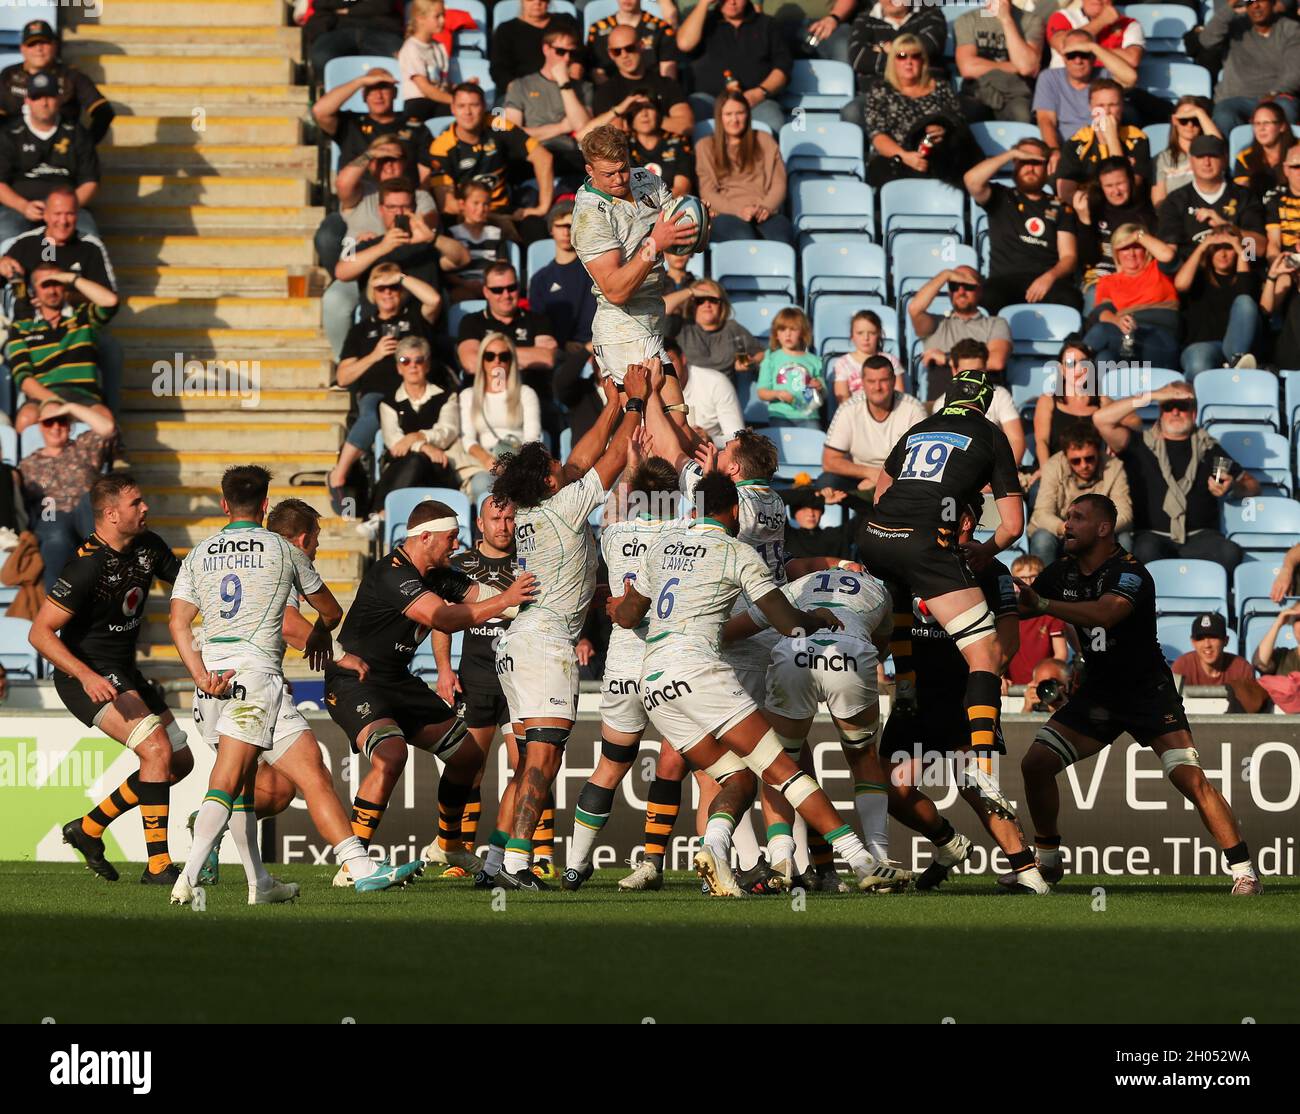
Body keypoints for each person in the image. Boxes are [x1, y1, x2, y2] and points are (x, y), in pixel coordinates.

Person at [613, 469, 910, 896]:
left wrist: (617, 604)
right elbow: (786, 622)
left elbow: (625, 617)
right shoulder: (737, 553)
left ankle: (713, 848)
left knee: (737, 778)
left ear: (695, 508)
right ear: (734, 510)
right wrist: (817, 618)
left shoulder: (660, 547)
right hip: (699, 670)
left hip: (654, 682)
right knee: (784, 770)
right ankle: (863, 862)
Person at [1016, 493, 1263, 895]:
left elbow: (1106, 613)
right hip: (1098, 694)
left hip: (1147, 693)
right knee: (1036, 764)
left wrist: (1042, 603)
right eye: (1067, 517)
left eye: (1077, 518)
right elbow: (1021, 605)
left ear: (1103, 528)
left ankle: (1244, 872)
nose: (1067, 524)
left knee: (1190, 780)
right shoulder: (1062, 571)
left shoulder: (1130, 573)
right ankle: (1047, 859)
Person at [191, 498, 423, 896]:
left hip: (221, 685)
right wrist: (337, 657)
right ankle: (354, 865)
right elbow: (289, 623)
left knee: (278, 790)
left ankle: (231, 854)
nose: (316, 548)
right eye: (315, 540)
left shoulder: (232, 555)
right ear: (301, 538)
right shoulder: (279, 560)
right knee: (287, 778)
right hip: (244, 684)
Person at [483, 364, 651, 890]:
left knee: (530, 758)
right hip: (546, 643)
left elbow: (581, 458)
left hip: (518, 642)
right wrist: (636, 405)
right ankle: (515, 863)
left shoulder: (540, 506)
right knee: (545, 758)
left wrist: (611, 400)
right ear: (548, 482)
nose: (567, 467)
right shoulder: (563, 509)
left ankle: (495, 861)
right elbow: (616, 454)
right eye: (557, 467)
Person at [324, 498, 538, 885]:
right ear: (425, 538)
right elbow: (442, 618)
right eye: (451, 538)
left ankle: (449, 843)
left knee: (468, 756)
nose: (457, 545)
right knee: (391, 755)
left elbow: (484, 597)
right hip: (357, 681)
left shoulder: (438, 574)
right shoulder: (392, 573)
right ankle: (353, 862)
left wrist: (541, 599)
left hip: (397, 681)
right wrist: (506, 599)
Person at [855, 359, 1025, 819]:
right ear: (985, 407)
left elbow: (880, 493)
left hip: (873, 535)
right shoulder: (991, 435)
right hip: (924, 543)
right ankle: (983, 768)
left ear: (948, 399)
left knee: (903, 597)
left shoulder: (917, 427)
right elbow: (1012, 526)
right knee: (984, 654)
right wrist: (982, 553)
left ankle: (905, 683)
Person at [875, 499, 1050, 894]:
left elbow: (1009, 636)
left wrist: (990, 670)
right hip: (915, 693)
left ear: (966, 520)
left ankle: (1028, 872)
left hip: (964, 691)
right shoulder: (909, 562)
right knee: (891, 788)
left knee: (973, 782)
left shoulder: (992, 570)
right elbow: (890, 627)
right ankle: (948, 842)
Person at [29, 474, 189, 885]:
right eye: (136, 503)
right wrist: (83, 675)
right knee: (156, 751)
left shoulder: (149, 546)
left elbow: (190, 581)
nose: (145, 508)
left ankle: (89, 827)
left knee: (179, 762)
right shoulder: (87, 566)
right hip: (87, 674)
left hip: (125, 671)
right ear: (112, 514)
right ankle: (158, 867)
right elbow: (39, 633)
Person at [721, 566, 897, 884]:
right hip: (848, 653)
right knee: (863, 758)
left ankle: (781, 859)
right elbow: (882, 647)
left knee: (780, 764)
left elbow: (736, 630)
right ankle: (878, 857)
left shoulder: (798, 586)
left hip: (795, 653)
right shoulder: (880, 591)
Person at [562, 443, 683, 889]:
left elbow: (624, 502)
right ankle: (652, 861)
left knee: (610, 764)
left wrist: (631, 465)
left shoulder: (614, 534)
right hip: (672, 662)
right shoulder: (685, 535)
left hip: (623, 663)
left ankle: (575, 863)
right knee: (674, 761)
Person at [425, 496, 523, 878]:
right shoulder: (460, 565)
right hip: (476, 679)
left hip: (519, 682)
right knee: (470, 770)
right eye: (495, 518)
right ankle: (460, 854)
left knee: (527, 766)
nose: (503, 525)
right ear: (480, 524)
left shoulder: (528, 562)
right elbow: (441, 620)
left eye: (510, 518)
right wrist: (444, 669)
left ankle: (526, 854)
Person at [570, 124, 694, 390]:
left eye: (623, 168)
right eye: (609, 174)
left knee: (648, 427)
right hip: (623, 329)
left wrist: (698, 223)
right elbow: (615, 290)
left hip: (651, 319)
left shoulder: (646, 180)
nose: (619, 179)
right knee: (669, 420)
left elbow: (678, 241)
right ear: (589, 170)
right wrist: (653, 244)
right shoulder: (589, 217)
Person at [1093, 379, 1259, 574]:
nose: (1175, 412)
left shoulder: (1208, 447)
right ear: (1160, 412)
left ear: (1194, 413)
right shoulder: (1140, 443)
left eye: (1182, 406)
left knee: (1229, 552)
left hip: (1200, 538)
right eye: (1168, 405)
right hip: (1152, 537)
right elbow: (1101, 420)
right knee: (1143, 552)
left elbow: (1253, 485)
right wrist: (1153, 395)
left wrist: (1231, 487)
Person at [326, 263, 441, 507]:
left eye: (393, 287)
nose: (387, 293)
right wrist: (375, 355)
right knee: (374, 411)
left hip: (414, 394)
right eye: (381, 288)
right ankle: (339, 473)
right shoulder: (361, 330)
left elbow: (433, 299)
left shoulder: (414, 318)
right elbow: (344, 377)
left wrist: (401, 276)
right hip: (376, 396)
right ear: (372, 293)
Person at [326, 176, 462, 360]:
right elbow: (342, 271)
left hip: (422, 333)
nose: (399, 213)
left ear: (414, 209)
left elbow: (462, 258)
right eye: (392, 207)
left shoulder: (427, 243)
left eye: (405, 207)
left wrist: (433, 238)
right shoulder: (369, 244)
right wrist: (383, 247)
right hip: (378, 336)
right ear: (381, 210)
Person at [355, 336, 463, 540]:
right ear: (398, 367)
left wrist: (415, 437)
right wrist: (425, 446)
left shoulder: (446, 396)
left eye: (419, 360)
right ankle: (382, 515)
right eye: (405, 361)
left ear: (427, 364)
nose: (412, 366)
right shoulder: (388, 403)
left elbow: (447, 432)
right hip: (401, 468)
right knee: (414, 459)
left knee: (416, 458)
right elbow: (395, 445)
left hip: (437, 469)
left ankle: (380, 516)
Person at [426, 83, 555, 244]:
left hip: (503, 208)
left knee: (536, 228)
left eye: (474, 105)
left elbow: (543, 158)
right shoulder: (441, 146)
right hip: (465, 214)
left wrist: (542, 207)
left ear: (484, 106)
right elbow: (448, 205)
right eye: (461, 106)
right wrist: (497, 219)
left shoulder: (497, 124)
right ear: (452, 108)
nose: (467, 112)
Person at [965, 140, 1081, 312]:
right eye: (1024, 161)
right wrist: (1010, 154)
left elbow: (1069, 257)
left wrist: (1049, 277)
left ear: (1046, 167)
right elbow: (971, 180)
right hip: (1004, 282)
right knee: (986, 298)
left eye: (1036, 162)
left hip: (1046, 281)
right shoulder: (1001, 196)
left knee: (1072, 300)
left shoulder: (1061, 207)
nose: (1030, 168)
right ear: (1015, 164)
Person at [4, 263, 117, 434]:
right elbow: (24, 379)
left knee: (104, 417)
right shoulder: (22, 328)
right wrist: (55, 402)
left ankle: (112, 459)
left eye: (57, 283)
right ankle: (28, 462)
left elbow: (111, 301)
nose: (52, 291)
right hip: (44, 396)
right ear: (34, 291)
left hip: (84, 395)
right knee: (26, 419)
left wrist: (72, 278)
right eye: (45, 285)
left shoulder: (83, 317)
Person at [18, 398, 117, 590]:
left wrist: (71, 407)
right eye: (49, 421)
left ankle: (103, 566)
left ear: (70, 425)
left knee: (90, 498)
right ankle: (58, 606)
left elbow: (107, 428)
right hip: (51, 518)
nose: (55, 427)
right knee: (56, 537)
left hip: (86, 515)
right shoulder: (28, 464)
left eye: (62, 420)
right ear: (40, 426)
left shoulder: (83, 448)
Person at [0, 71, 99, 245]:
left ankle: (71, 271)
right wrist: (23, 206)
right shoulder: (10, 134)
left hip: (69, 209)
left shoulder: (77, 134)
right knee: (6, 237)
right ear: (27, 100)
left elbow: (90, 182)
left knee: (89, 239)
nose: (44, 103)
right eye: (37, 97)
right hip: (19, 208)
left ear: (59, 99)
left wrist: (62, 210)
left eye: (49, 97)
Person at [862, 35, 968, 188]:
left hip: (937, 157)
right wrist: (905, 157)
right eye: (902, 56)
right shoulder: (880, 91)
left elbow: (959, 124)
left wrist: (944, 130)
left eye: (915, 56)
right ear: (892, 61)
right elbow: (877, 135)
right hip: (897, 159)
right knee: (881, 168)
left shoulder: (942, 88)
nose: (909, 62)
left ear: (923, 61)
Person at [325, 136, 439, 276]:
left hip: (404, 270)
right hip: (356, 270)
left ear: (404, 163)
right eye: (382, 160)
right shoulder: (360, 193)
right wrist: (369, 154)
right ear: (371, 164)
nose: (389, 165)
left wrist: (379, 241)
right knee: (334, 298)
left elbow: (428, 227)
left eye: (394, 159)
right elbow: (342, 183)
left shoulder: (420, 196)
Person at [676, 0, 792, 135]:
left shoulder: (767, 25)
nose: (732, 2)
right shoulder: (704, 22)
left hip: (756, 101)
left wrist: (759, 93)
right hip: (709, 101)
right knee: (689, 120)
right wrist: (703, 4)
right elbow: (684, 44)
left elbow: (783, 68)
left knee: (773, 124)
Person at [0, 185, 116, 320]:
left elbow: (108, 299)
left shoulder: (91, 246)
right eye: (57, 214)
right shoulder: (25, 243)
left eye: (69, 214)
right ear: (46, 215)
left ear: (77, 215)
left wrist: (65, 296)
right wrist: (2, 265)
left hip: (78, 331)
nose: (63, 221)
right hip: (28, 330)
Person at [1072, 157, 1172, 311]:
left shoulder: (1146, 215)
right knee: (1095, 295)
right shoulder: (1092, 209)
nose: (1116, 191)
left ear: (1131, 181)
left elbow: (1157, 258)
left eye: (1120, 184)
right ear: (1101, 186)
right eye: (1109, 186)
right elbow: (1088, 259)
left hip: (1137, 277)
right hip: (1101, 276)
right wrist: (1084, 221)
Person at [819, 355, 926, 496]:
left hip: (900, 477)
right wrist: (870, 473)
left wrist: (883, 478)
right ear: (862, 382)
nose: (877, 387)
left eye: (883, 380)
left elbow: (921, 461)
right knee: (825, 482)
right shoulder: (848, 409)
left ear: (894, 381)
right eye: (871, 381)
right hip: (862, 475)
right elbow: (829, 461)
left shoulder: (913, 409)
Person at [1029, 420, 1133, 563]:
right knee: (1042, 539)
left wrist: (1092, 531)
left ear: (1098, 451)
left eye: (1089, 458)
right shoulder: (1053, 466)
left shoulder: (1114, 467)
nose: (1084, 465)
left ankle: (1115, 584)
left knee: (1124, 539)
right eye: (1076, 461)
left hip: (1099, 535)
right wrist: (1068, 529)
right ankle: (1042, 585)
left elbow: (1125, 515)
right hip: (1063, 533)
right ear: (1065, 457)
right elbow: (1041, 514)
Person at [695, 92, 791, 243]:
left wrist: (765, 207)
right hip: (726, 214)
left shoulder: (764, 139)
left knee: (781, 240)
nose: (735, 120)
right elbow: (707, 192)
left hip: (765, 212)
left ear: (748, 115)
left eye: (740, 113)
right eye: (728, 114)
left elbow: (779, 183)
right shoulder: (705, 146)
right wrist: (739, 210)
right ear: (720, 117)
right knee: (744, 239)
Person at [503, 26, 596, 180]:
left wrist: (564, 83)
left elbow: (583, 129)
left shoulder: (583, 87)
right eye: (560, 51)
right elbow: (513, 135)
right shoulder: (520, 85)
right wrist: (561, 127)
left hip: (571, 156)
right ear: (546, 49)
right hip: (532, 155)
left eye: (571, 53)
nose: (566, 58)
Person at [1156, 134, 1266, 265]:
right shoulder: (1175, 201)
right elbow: (1169, 259)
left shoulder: (1244, 196)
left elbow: (1257, 251)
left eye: (1213, 156)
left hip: (1239, 277)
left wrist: (1226, 226)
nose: (1207, 162)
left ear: (1225, 159)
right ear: (1191, 161)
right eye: (1200, 157)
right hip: (1195, 279)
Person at [1031, 338, 1134, 476]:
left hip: (1092, 473)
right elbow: (1041, 441)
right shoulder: (1048, 400)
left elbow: (1134, 422)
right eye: (1070, 363)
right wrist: (1047, 471)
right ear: (1061, 369)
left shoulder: (1101, 400)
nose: (1078, 368)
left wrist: (1113, 442)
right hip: (1056, 472)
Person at [0, 19, 114, 144]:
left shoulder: (71, 76)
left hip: (60, 151)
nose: (39, 48)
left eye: (44, 42)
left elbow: (103, 112)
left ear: (55, 45)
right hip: (16, 151)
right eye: (32, 44)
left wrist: (85, 145)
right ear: (22, 49)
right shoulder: (8, 75)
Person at [1083, 223, 1181, 367]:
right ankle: (1089, 387)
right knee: (1104, 358)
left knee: (1100, 331)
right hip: (1126, 338)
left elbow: (1168, 255)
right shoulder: (1108, 281)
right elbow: (1102, 312)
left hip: (1160, 339)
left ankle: (1065, 378)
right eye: (1124, 248)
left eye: (1136, 246)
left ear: (1145, 249)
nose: (1131, 253)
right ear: (1116, 253)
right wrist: (1117, 321)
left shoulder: (1158, 269)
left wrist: (1138, 236)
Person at [459, 334, 542, 502]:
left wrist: (514, 465)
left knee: (524, 485)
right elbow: (467, 439)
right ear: (482, 361)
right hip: (484, 461)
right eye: (490, 356)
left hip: (519, 458)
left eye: (503, 357)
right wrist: (488, 461)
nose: (497, 362)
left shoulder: (525, 393)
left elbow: (533, 437)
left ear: (511, 361)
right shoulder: (469, 396)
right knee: (482, 484)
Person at [908, 265, 1012, 398]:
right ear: (949, 292)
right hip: (941, 408)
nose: (961, 291)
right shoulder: (936, 325)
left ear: (980, 290)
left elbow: (997, 361)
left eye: (968, 286)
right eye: (954, 286)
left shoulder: (996, 323)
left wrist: (946, 359)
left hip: (982, 405)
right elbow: (914, 309)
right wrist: (945, 274)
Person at [1033, 30, 1137, 163]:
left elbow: (1131, 78)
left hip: (1105, 148)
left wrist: (1094, 47)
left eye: (1084, 54)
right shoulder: (1049, 78)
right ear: (1064, 58)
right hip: (1069, 151)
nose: (1078, 60)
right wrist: (1054, 152)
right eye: (1072, 55)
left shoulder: (1105, 76)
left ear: (1093, 57)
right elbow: (1046, 121)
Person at [1200, 0, 1300, 136]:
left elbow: (1295, 72)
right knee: (1224, 114)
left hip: (1277, 96)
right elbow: (1206, 40)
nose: (1256, 5)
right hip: (1236, 98)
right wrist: (1230, 6)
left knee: (1287, 109)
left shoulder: (1291, 29)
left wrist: (1273, 93)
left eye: (1261, 0)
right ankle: (1227, 156)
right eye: (1250, 2)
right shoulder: (1234, 25)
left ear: (1273, 3)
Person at [1174, 228, 1262, 380]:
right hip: (1203, 346)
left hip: (1236, 349)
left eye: (1229, 248)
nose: (1223, 254)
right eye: (1216, 249)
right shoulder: (1198, 276)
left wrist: (1240, 248)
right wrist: (1202, 246)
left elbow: (1245, 293)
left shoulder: (1248, 277)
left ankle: (1236, 363)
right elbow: (1181, 285)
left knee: (1245, 302)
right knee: (1198, 362)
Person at [455, 260, 559, 383]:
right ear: (486, 292)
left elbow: (546, 359)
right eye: (498, 290)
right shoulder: (471, 321)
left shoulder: (538, 320)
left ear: (518, 287)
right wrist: (525, 356)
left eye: (511, 288)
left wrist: (489, 357)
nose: (506, 295)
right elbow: (470, 364)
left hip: (529, 394)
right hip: (484, 396)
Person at [312, 69, 423, 181]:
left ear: (395, 93)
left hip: (404, 194)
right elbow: (319, 111)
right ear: (364, 95)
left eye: (383, 88)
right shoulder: (351, 123)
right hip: (359, 194)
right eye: (371, 89)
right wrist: (360, 81)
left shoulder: (414, 126)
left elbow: (426, 170)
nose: (378, 96)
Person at [929, 340, 1027, 466]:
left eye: (978, 372)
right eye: (966, 372)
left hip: (995, 472)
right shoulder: (940, 404)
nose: (973, 380)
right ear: (954, 370)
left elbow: (1017, 441)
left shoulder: (1000, 395)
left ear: (986, 367)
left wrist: (1000, 478)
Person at [1054, 78, 1151, 206]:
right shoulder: (1077, 142)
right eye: (1100, 106)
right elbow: (1065, 192)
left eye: (1113, 105)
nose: (1106, 112)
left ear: (1122, 106)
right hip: (1089, 210)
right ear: (1091, 108)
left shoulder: (1137, 138)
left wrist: (1112, 139)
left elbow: (1132, 187)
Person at [588, 24, 691, 136]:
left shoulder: (666, 84)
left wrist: (653, 119)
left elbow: (687, 125)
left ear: (641, 46)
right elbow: (611, 132)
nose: (624, 55)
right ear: (610, 54)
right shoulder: (605, 92)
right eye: (616, 51)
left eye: (630, 48)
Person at [953, 0, 1043, 125]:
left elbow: (1028, 67)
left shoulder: (1031, 21)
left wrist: (1006, 20)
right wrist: (1014, 66)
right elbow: (967, 68)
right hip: (979, 88)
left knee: (1023, 117)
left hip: (1016, 91)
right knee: (964, 116)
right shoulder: (967, 20)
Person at [843, 0, 947, 104]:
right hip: (877, 95)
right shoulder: (864, 20)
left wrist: (883, 49)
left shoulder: (930, 14)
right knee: (853, 112)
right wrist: (908, 53)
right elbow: (858, 59)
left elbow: (930, 46)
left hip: (923, 91)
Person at [527, 200, 597, 350]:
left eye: (571, 226)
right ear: (551, 229)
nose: (566, 232)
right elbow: (539, 324)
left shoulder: (596, 269)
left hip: (598, 347)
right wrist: (563, 345)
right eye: (560, 226)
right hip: (557, 351)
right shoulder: (540, 279)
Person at [1174, 611, 1269, 713]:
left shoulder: (1242, 668)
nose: (1207, 644)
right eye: (1200, 638)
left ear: (1226, 641)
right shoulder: (1182, 666)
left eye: (1213, 637)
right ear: (1193, 642)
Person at [675, 279, 764, 377]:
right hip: (689, 389)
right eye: (700, 300)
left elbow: (761, 353)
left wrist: (750, 362)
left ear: (721, 304)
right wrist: (690, 291)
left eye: (713, 300)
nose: (707, 304)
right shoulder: (682, 327)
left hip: (723, 389)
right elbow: (662, 310)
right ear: (692, 305)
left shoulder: (732, 328)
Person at [1006, 554, 1069, 688]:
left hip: (1045, 686)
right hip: (1011, 687)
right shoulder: (1007, 614)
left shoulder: (1050, 611)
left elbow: (1061, 653)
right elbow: (999, 651)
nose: (1027, 582)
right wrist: (999, 677)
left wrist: (1046, 679)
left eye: (1034, 577)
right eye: (1022, 578)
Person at [490, 0, 579, 95]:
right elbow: (498, 69)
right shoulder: (506, 30)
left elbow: (581, 52)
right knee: (498, 109)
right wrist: (517, 91)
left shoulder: (565, 21)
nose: (537, 2)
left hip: (562, 87)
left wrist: (578, 65)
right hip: (522, 91)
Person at [754, 306, 823, 427]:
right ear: (776, 334)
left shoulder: (814, 360)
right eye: (782, 329)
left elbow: (824, 392)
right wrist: (777, 394)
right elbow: (761, 392)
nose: (788, 334)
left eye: (793, 329)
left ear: (802, 332)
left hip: (809, 415)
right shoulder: (771, 359)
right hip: (780, 415)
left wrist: (819, 386)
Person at [446, 180, 512, 302]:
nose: (481, 209)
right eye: (476, 203)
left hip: (492, 287)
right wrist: (466, 284)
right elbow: (448, 273)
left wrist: (488, 285)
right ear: (462, 204)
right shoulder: (452, 234)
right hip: (463, 287)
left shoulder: (496, 234)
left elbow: (502, 266)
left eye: (486, 204)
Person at [588, 0, 681, 83]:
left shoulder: (661, 29)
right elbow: (597, 73)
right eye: (616, 52)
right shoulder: (598, 30)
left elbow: (668, 77)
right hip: (613, 96)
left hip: (653, 92)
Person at [1151, 97, 1221, 208]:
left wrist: (1200, 113)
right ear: (1174, 120)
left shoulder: (1209, 155)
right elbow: (1159, 202)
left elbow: (1218, 146)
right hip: (1176, 217)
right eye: (1184, 120)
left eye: (1195, 119)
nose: (1190, 125)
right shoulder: (1161, 159)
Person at [305, 0, 405, 77]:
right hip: (334, 29)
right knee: (321, 57)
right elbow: (321, 3)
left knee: (403, 60)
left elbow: (384, 5)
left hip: (381, 29)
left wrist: (347, 10)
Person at [623, 95, 694, 197]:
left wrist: (654, 205)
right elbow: (593, 135)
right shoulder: (622, 144)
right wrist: (617, 110)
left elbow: (682, 188)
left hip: (672, 206)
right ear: (629, 118)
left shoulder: (677, 142)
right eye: (637, 110)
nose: (644, 114)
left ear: (659, 113)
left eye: (649, 107)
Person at [1045, 0, 1145, 72]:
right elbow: (1063, 46)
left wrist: (1091, 49)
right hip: (1065, 88)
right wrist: (1101, 21)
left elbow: (1132, 59)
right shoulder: (1063, 17)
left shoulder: (1128, 24)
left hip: (1110, 90)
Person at [829, 309, 904, 401]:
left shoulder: (891, 360)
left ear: (879, 334)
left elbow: (899, 396)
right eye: (860, 333)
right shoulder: (842, 363)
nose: (866, 338)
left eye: (872, 333)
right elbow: (842, 400)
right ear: (852, 335)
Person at [398, 0, 452, 121]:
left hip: (439, 101)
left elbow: (442, 84)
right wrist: (457, 102)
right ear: (420, 18)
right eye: (437, 16)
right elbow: (426, 89)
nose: (443, 20)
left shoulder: (439, 47)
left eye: (443, 15)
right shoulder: (411, 48)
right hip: (419, 104)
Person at [1232, 99, 1295, 200]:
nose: (1261, 128)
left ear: (1282, 126)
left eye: (1267, 123)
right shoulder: (1244, 158)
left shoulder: (1297, 152)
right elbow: (1241, 197)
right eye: (1257, 123)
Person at [676, 356, 744, 446]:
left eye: (670, 360)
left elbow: (737, 438)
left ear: (683, 358)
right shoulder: (654, 388)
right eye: (661, 363)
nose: (665, 367)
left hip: (713, 454)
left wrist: (710, 440)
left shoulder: (716, 382)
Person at [781, 485, 854, 562]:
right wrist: (815, 497)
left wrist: (839, 496)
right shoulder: (785, 536)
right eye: (804, 508)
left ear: (822, 512)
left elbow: (865, 514)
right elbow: (772, 500)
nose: (811, 514)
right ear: (793, 514)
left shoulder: (836, 535)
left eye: (815, 507)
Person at [1265, 147, 1300, 260]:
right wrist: (1276, 269)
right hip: (1288, 261)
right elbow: (1274, 243)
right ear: (1286, 169)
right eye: (1295, 167)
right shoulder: (1275, 198)